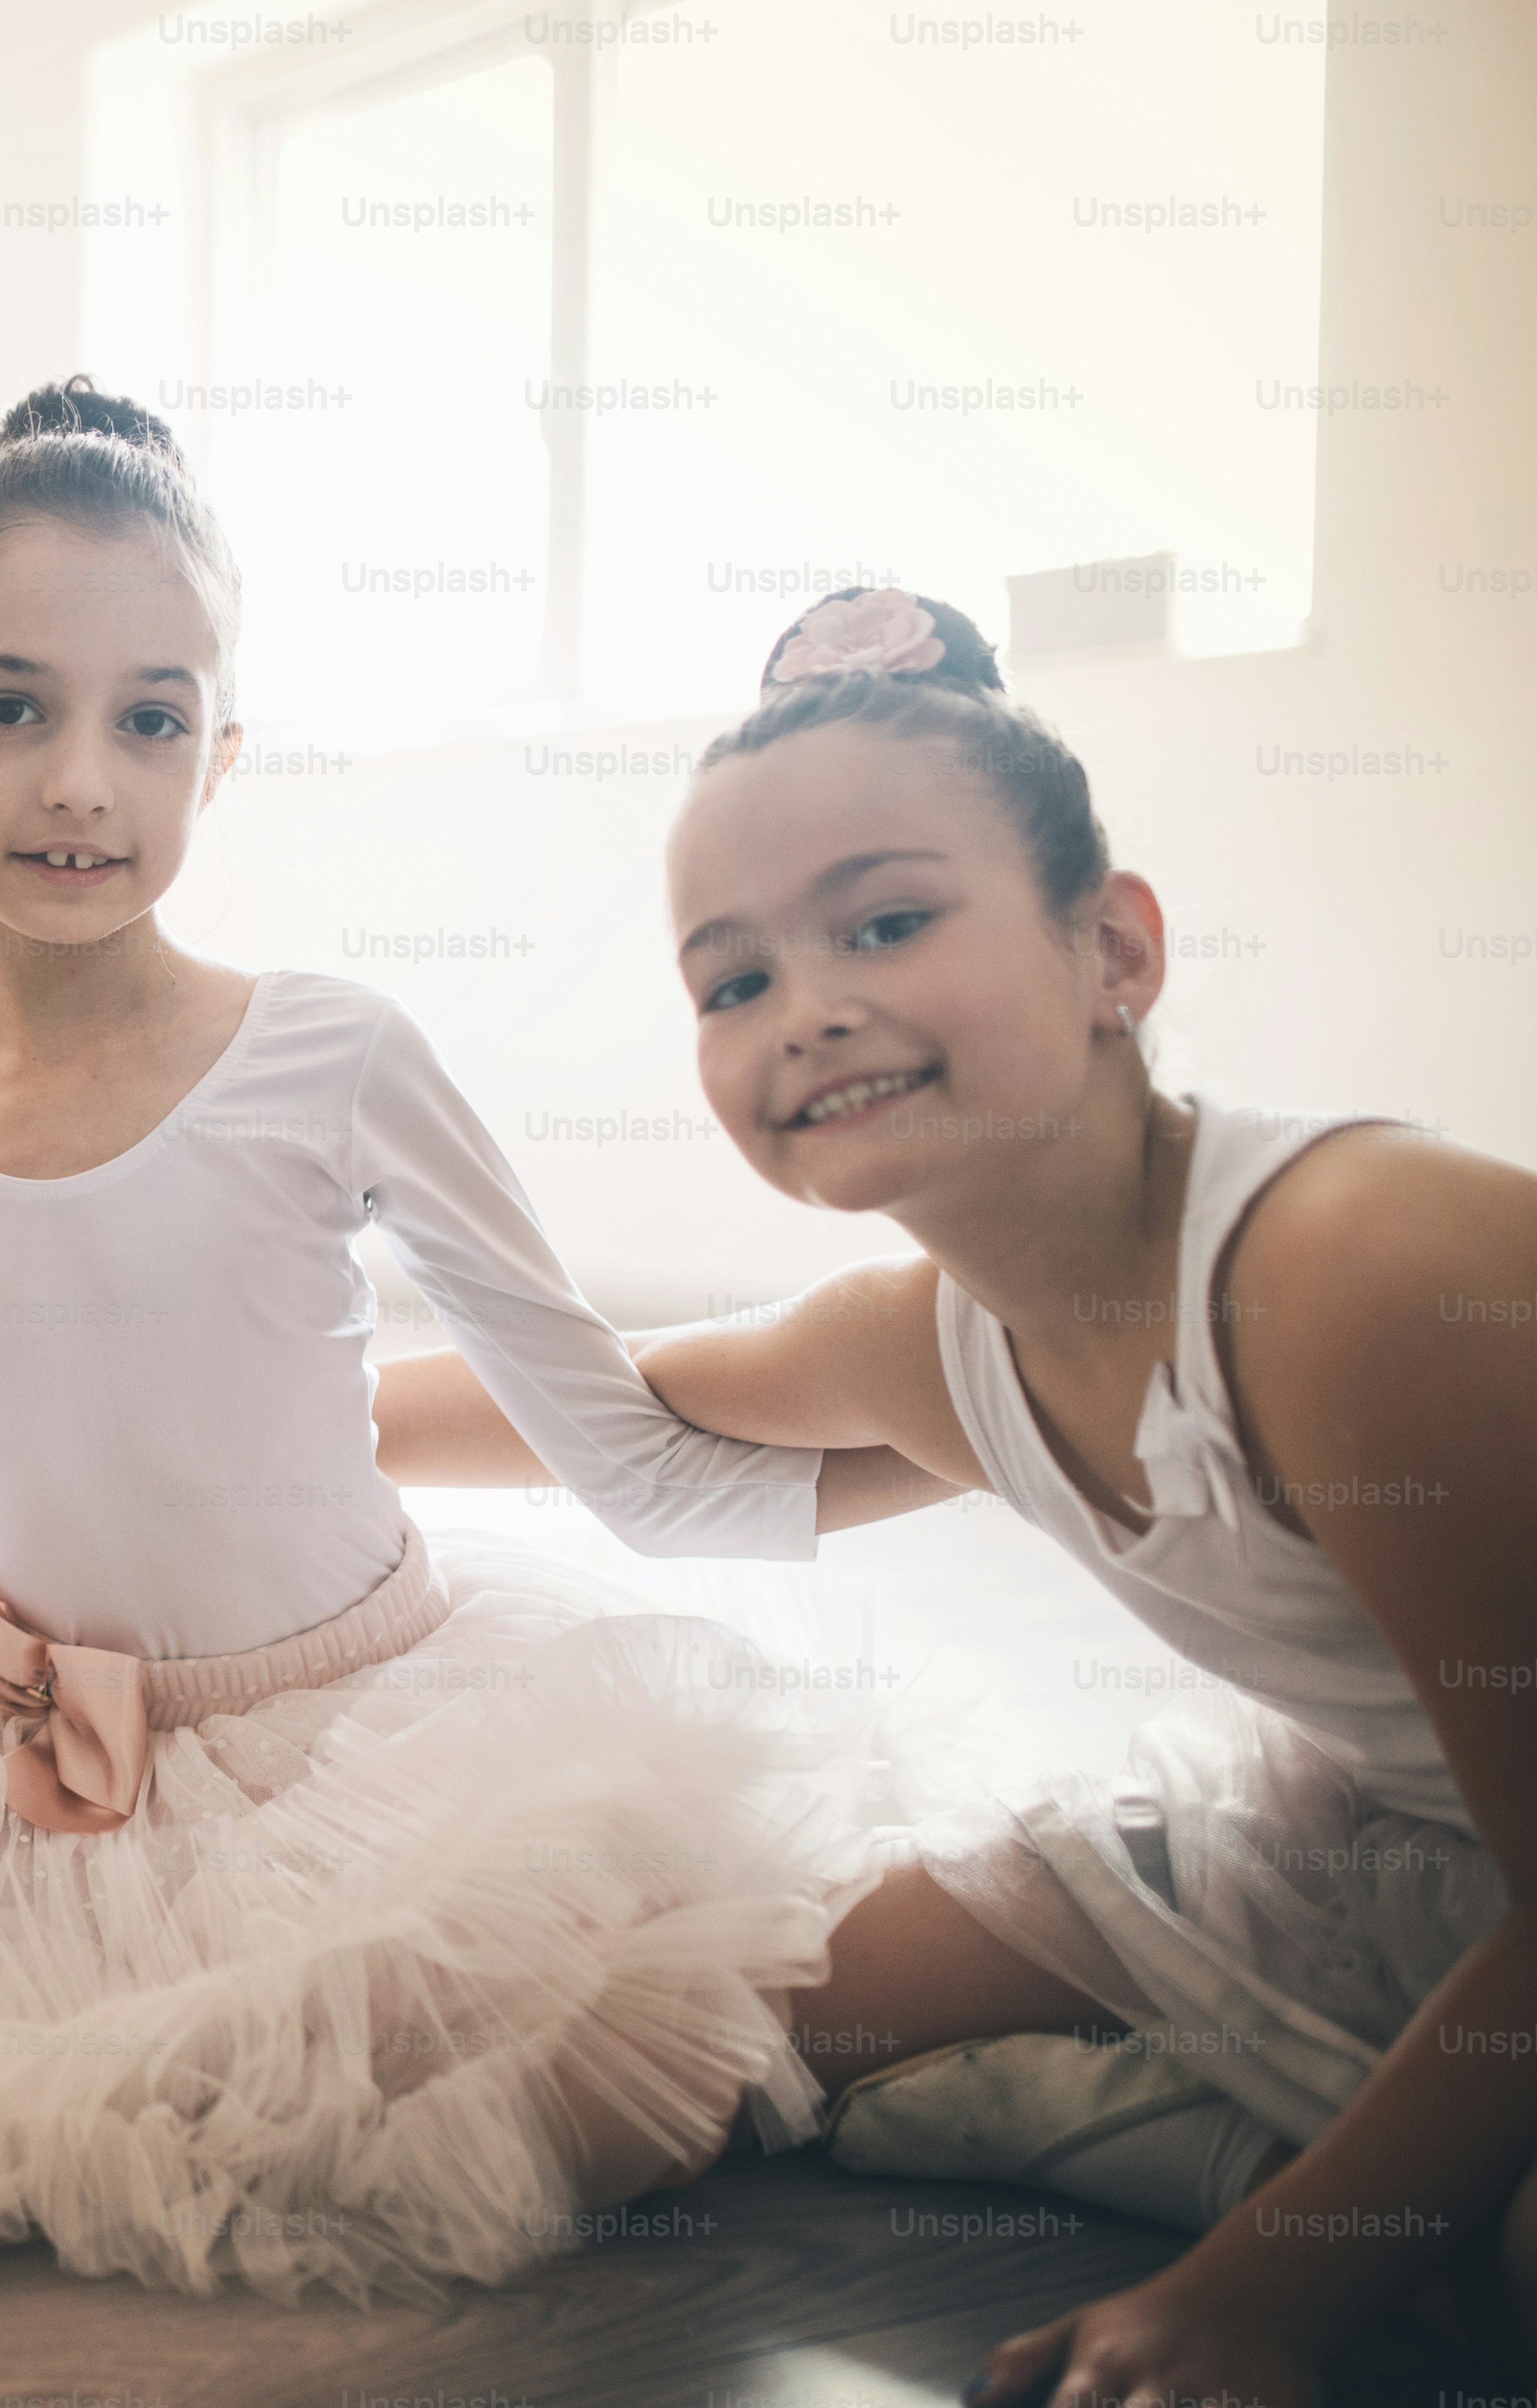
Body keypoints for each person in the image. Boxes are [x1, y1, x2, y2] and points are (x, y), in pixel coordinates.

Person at [0, 380, 936, 2306]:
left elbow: (630, 1464)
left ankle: (1023, 2073)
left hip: (368, 1749)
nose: (80, 786)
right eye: (12, 708)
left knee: (615, 2066)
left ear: (222, 756)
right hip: (17, 1771)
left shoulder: (335, 1054)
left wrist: (1007, 1429)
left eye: (150, 721)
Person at [378, 584, 1537, 2398]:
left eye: (890, 922)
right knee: (690, 2040)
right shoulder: (923, 1337)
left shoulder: (1354, 1274)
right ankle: (1211, 2127)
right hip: (1387, 1837)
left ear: (1116, 952)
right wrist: (269, 1429)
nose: (810, 1012)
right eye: (735, 980)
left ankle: (1266, 2179)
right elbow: (613, 1415)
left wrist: (1260, 2298)